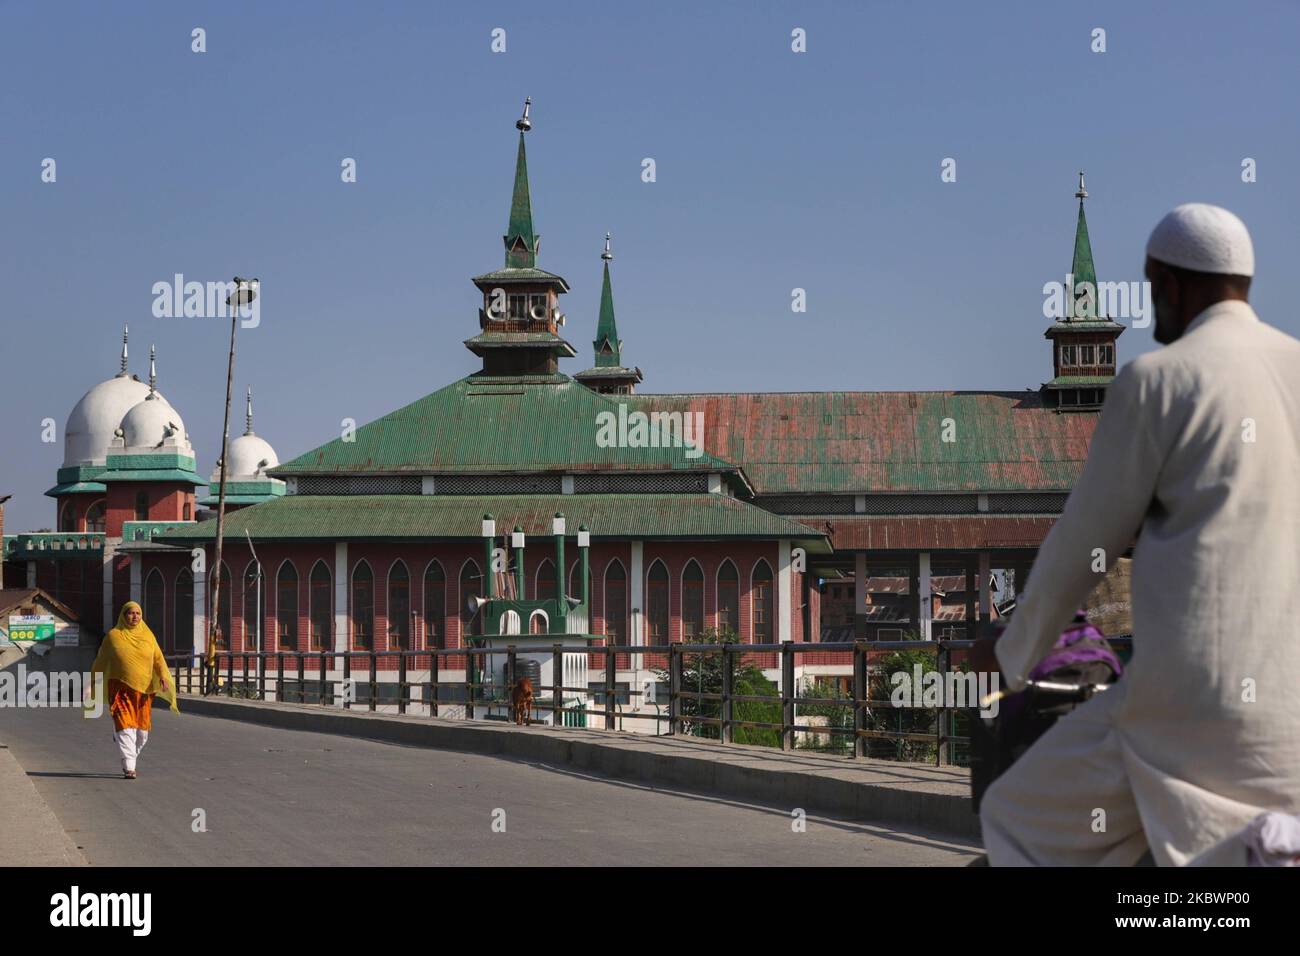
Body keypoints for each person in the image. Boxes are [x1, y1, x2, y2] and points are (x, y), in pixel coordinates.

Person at [972, 203, 1300, 866]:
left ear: (1168, 283)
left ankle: (1254, 855)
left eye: (1152, 290)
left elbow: (1081, 546)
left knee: (1012, 817)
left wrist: (1011, 655)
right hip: (1290, 717)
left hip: (1185, 710)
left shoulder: (1156, 380)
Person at [86, 600, 178, 779]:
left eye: (138, 613)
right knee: (126, 727)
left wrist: (162, 676)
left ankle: (125, 746)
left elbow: (158, 659)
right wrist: (91, 684)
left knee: (142, 733)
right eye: (130, 613)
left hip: (144, 691)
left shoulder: (148, 636)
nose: (134, 616)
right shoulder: (113, 636)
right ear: (123, 615)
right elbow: (101, 661)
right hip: (120, 688)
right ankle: (129, 766)